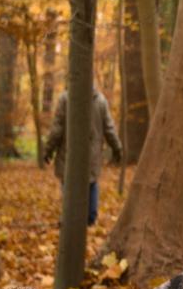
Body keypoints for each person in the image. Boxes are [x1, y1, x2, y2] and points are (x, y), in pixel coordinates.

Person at [43, 85, 123, 226]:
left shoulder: (67, 98)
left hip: (71, 158)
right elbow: (109, 128)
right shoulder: (99, 100)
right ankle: (84, 222)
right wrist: (117, 149)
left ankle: (74, 222)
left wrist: (48, 151)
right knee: (90, 188)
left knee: (72, 191)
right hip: (86, 160)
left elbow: (56, 129)